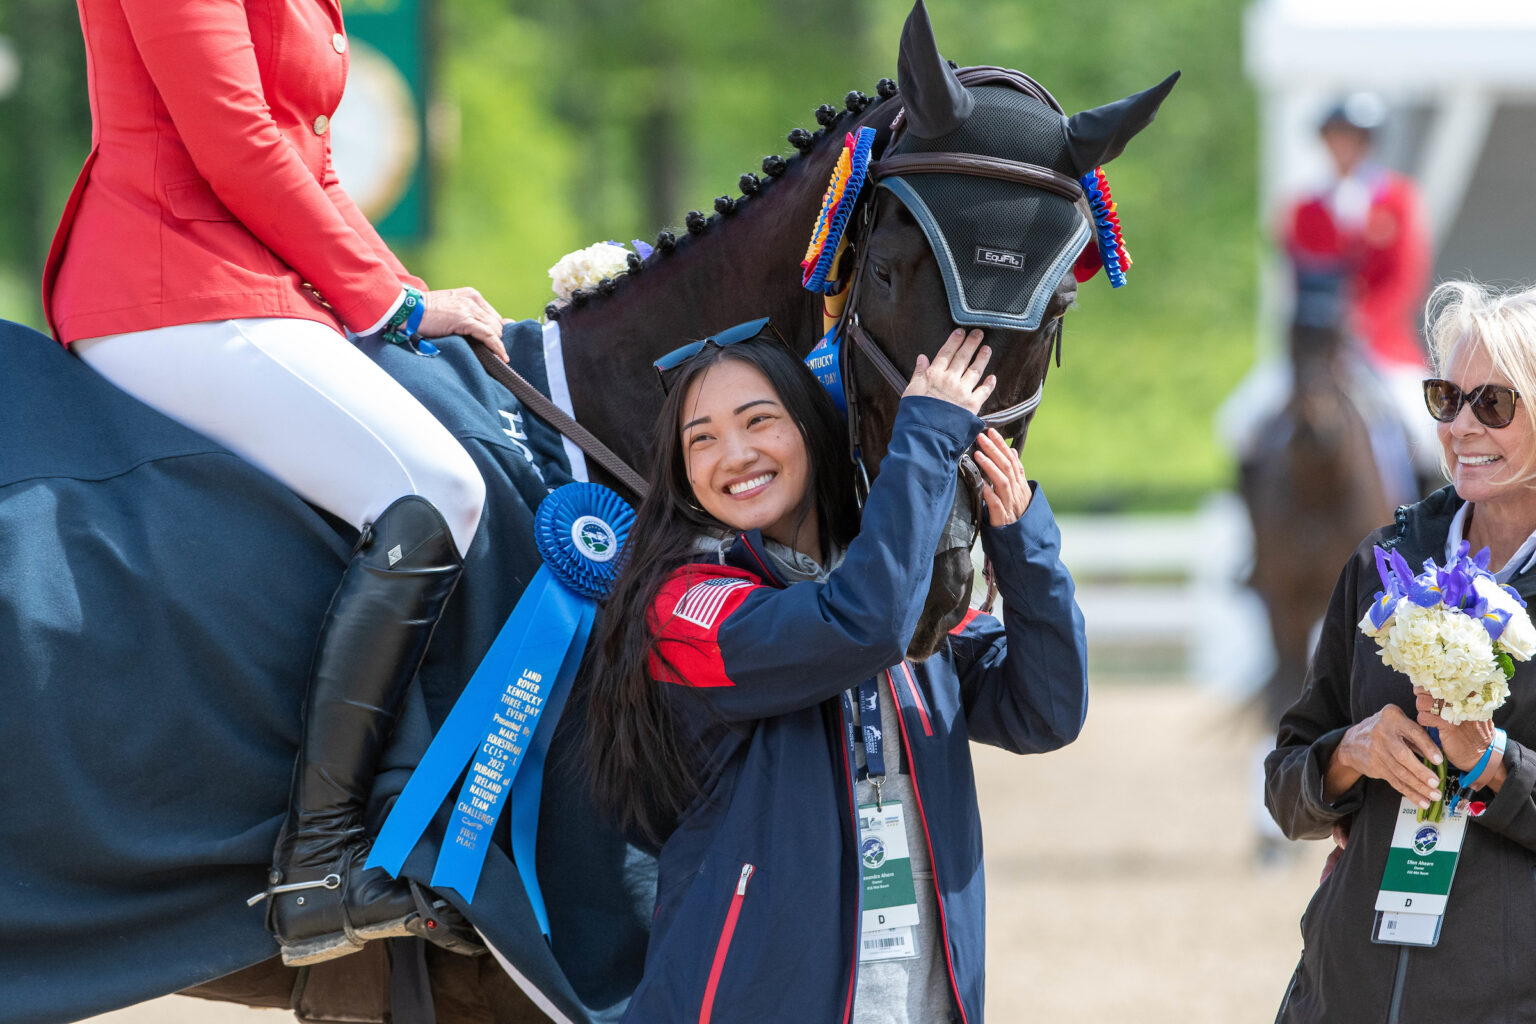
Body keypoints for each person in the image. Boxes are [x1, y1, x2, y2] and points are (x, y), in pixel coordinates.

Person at [40, 0, 507, 965]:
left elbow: (314, 159)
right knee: (435, 488)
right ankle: (316, 869)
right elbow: (233, 138)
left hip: (265, 287)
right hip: (168, 281)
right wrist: (389, 305)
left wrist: (406, 290)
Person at [582, 320, 1088, 1023]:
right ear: (683, 475)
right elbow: (859, 625)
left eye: (759, 421)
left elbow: (1046, 710)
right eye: (701, 439)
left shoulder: (896, 590)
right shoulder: (684, 607)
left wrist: (1023, 547)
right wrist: (927, 436)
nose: (734, 454)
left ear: (813, 430)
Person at [1266, 281, 1536, 1021]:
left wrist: (1489, 762)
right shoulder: (1378, 564)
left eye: (1495, 405)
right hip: (1346, 990)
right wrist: (1348, 752)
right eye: (1448, 399)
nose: (1461, 426)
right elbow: (1284, 786)